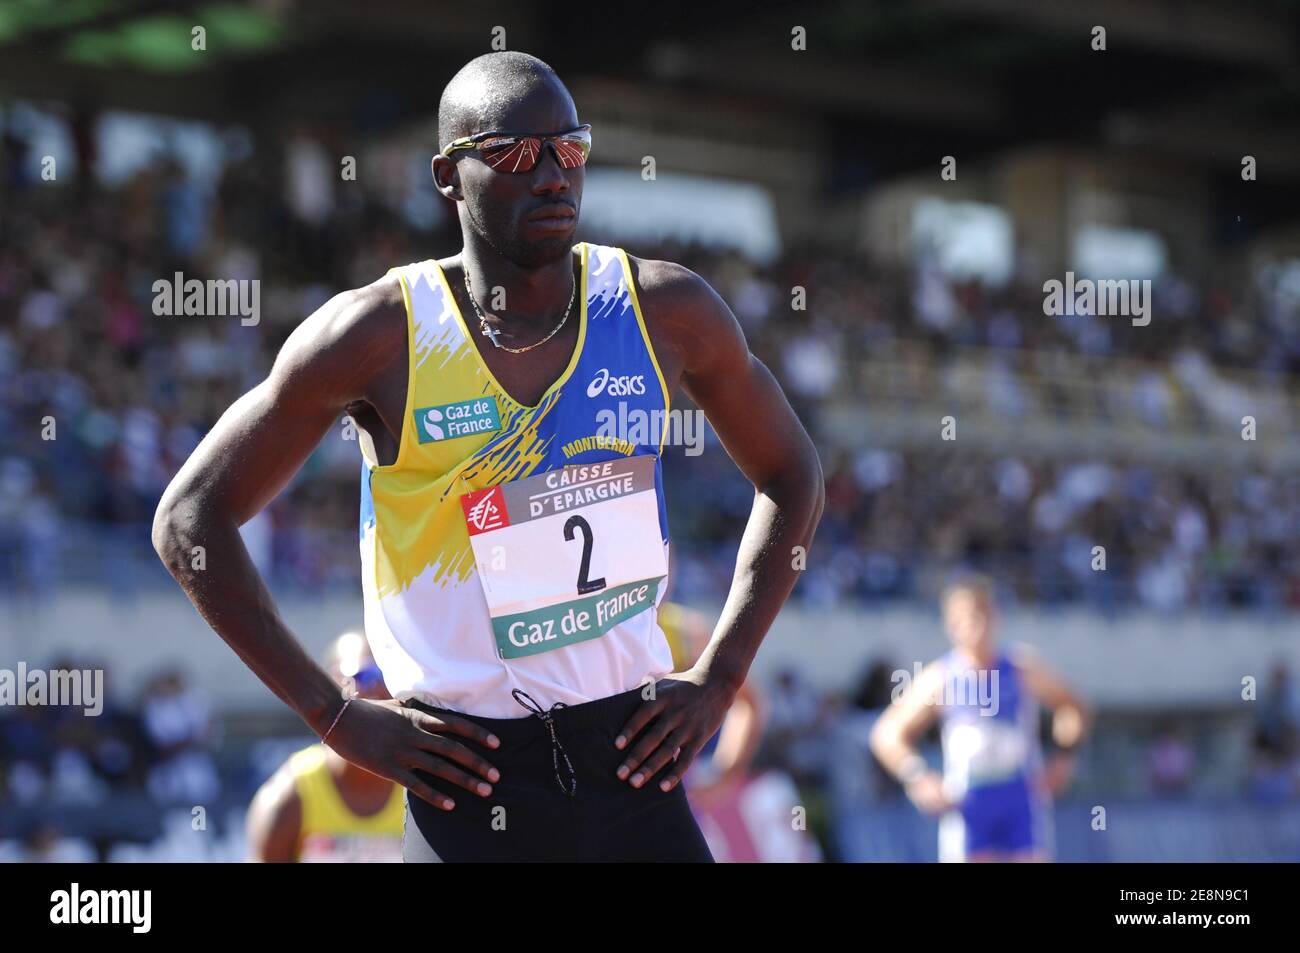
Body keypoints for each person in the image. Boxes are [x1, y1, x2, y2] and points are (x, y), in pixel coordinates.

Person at [152, 50, 824, 862]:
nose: (550, 176)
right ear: (447, 176)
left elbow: (793, 475)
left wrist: (720, 675)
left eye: (569, 150)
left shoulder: (664, 310)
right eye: (512, 154)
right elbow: (190, 519)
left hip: (634, 765)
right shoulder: (378, 337)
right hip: (466, 782)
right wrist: (332, 714)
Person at [869, 574, 1088, 862]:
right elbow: (886, 734)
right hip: (967, 800)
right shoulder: (941, 677)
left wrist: (1064, 757)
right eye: (966, 616)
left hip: (1020, 795)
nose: (976, 624)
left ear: (995, 615)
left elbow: (1072, 707)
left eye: (983, 613)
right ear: (950, 624)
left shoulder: (1021, 666)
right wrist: (917, 776)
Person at [246, 632, 405, 862]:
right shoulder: (291, 795)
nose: (376, 688)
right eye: (361, 675)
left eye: (386, 675)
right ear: (329, 684)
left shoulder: (424, 789)